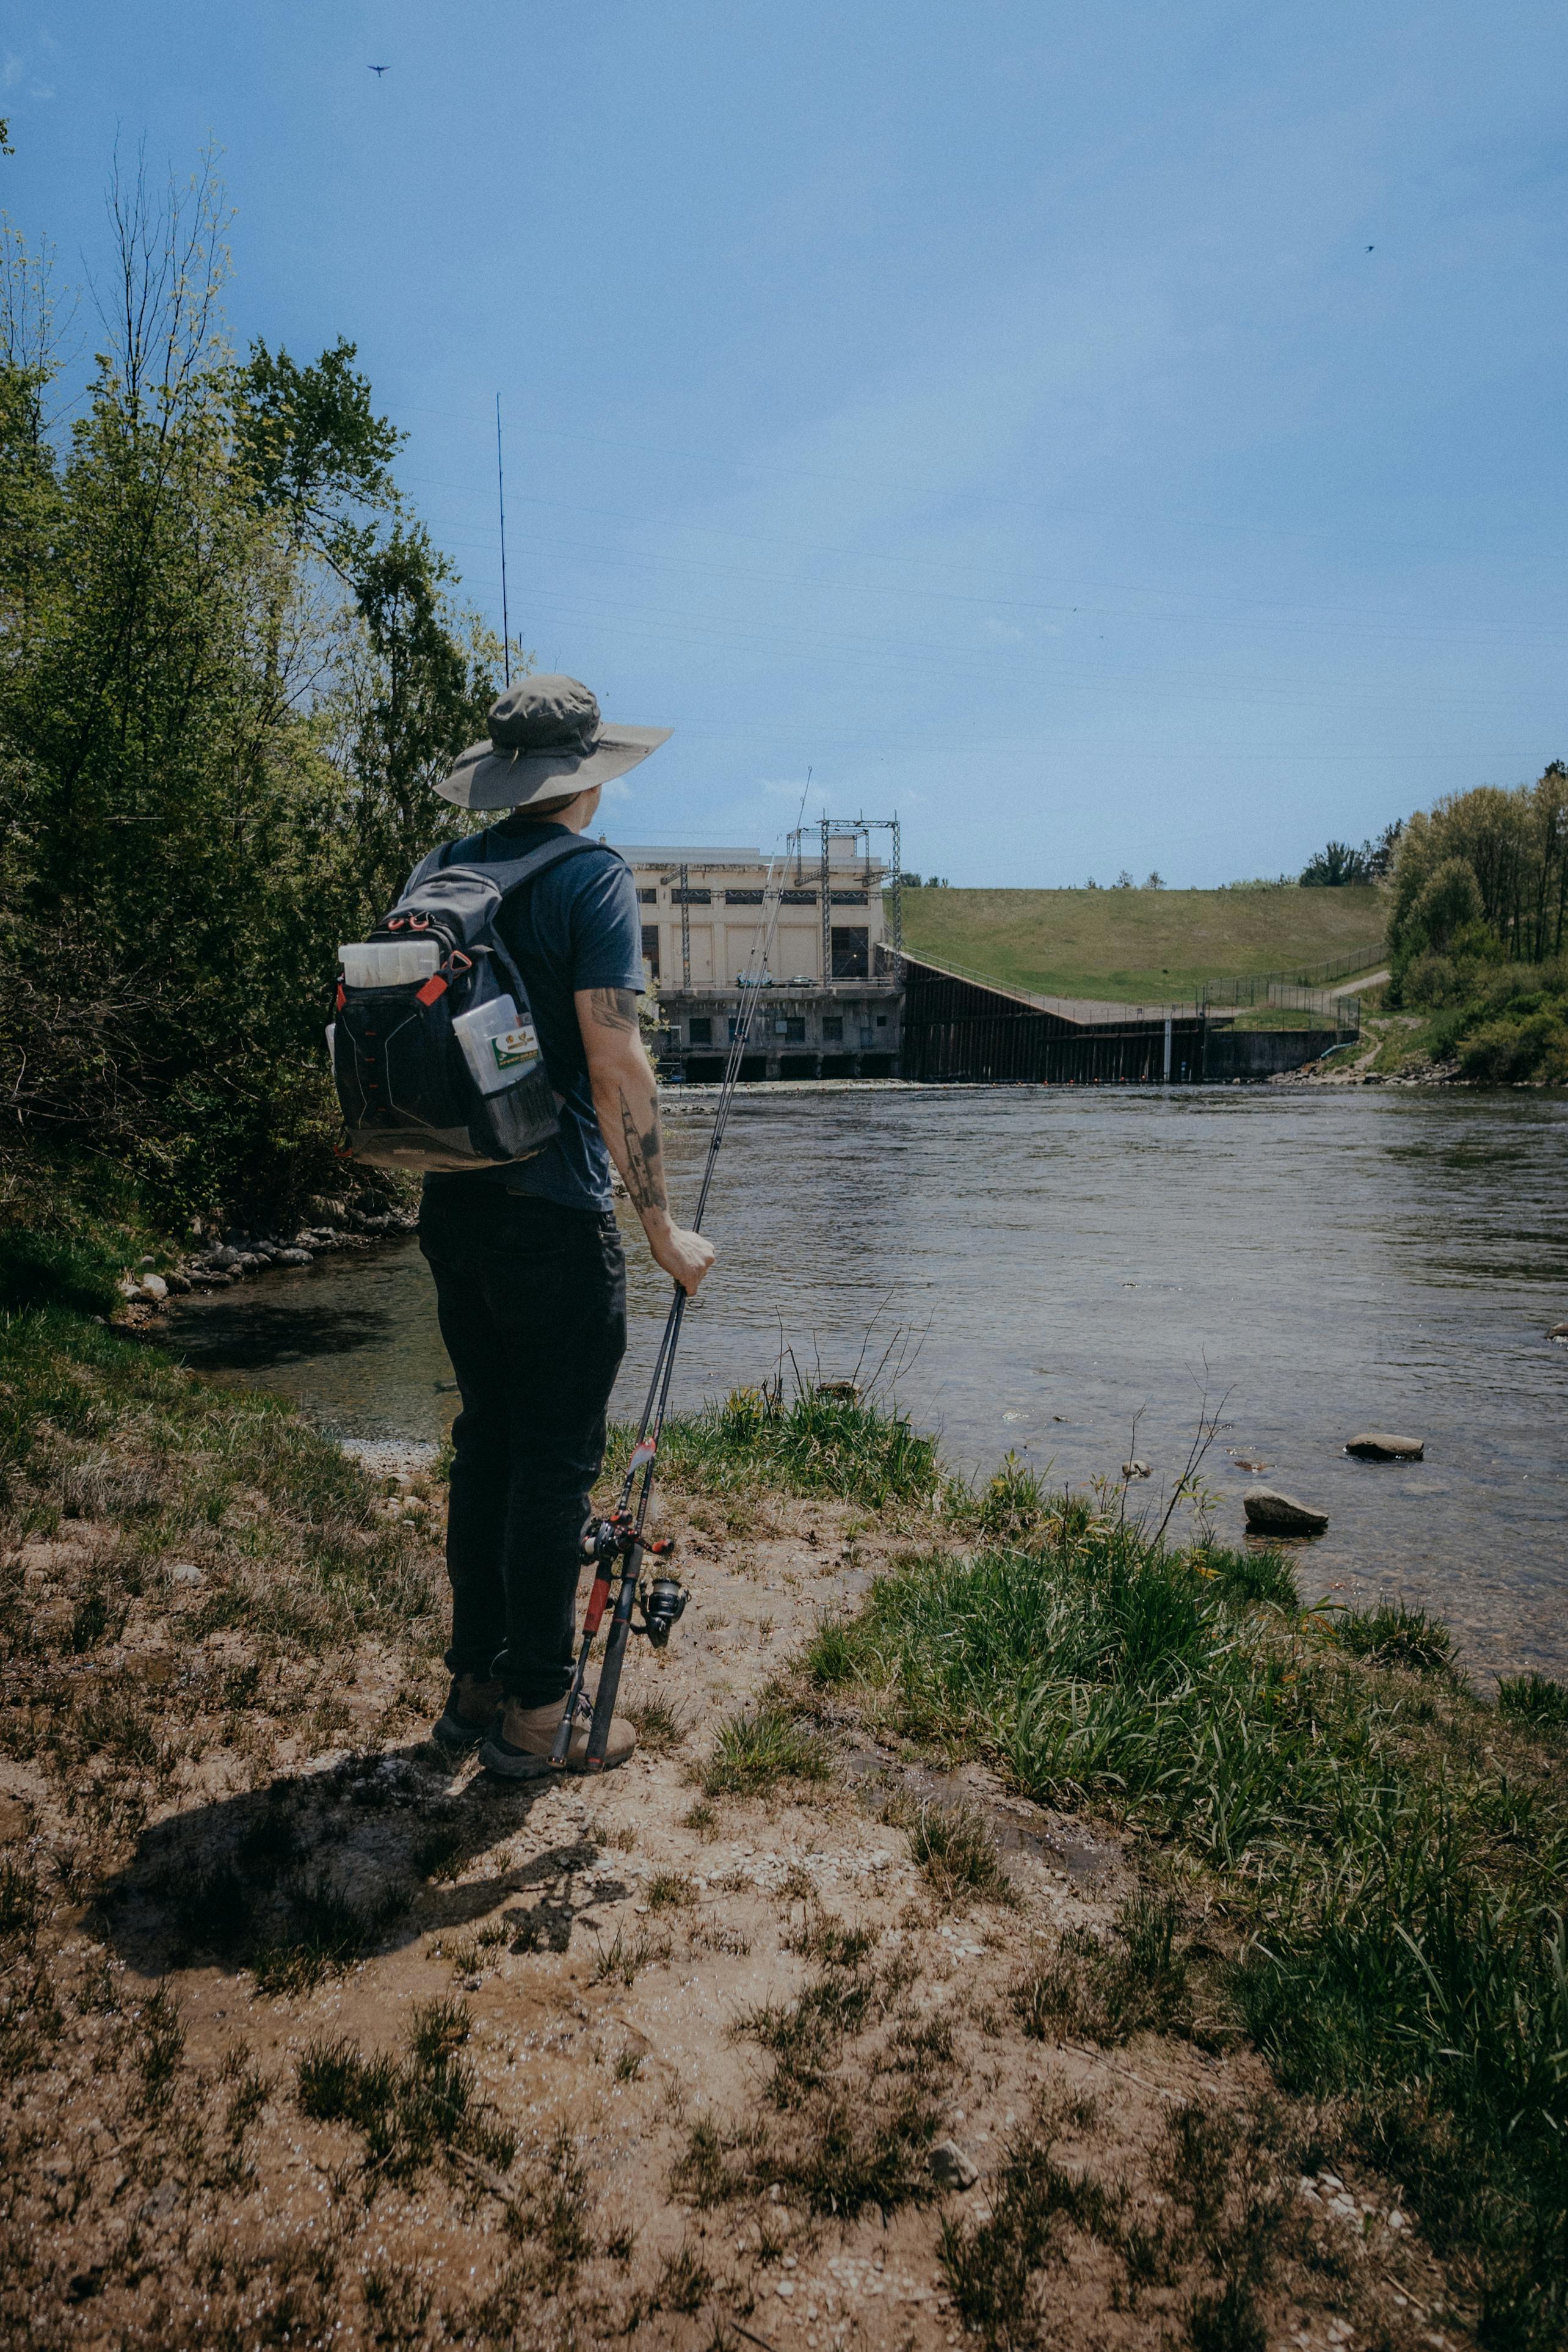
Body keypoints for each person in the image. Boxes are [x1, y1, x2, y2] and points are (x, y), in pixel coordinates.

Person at [418, 675, 714, 1777]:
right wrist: (665, 1231)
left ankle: (476, 1685)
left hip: (452, 1204)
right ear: (586, 779)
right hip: (552, 1217)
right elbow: (614, 1060)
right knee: (551, 1466)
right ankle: (540, 1715)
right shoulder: (588, 875)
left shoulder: (440, 871)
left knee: (487, 1443)